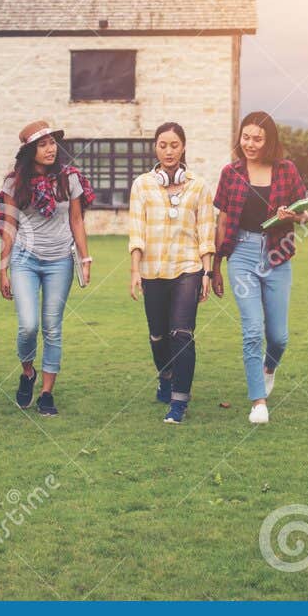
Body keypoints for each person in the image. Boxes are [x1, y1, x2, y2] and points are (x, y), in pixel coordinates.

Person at [212, 110, 308, 425]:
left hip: (277, 255)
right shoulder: (231, 172)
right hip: (241, 253)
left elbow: (304, 214)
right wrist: (214, 265)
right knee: (252, 329)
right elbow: (223, 219)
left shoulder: (286, 170)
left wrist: (289, 216)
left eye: (257, 138)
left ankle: (269, 369)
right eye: (246, 137)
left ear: (269, 141)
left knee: (278, 337)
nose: (250, 144)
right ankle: (258, 402)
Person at [0, 120, 94, 416]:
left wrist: (85, 260)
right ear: (29, 151)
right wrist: (2, 269)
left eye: (52, 142)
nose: (51, 149)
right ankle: (28, 373)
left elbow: (77, 221)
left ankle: (47, 393)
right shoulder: (14, 182)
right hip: (24, 259)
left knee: (52, 328)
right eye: (43, 144)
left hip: (60, 261)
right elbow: (9, 225)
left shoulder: (70, 178)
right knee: (28, 326)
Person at [128, 122, 215, 424]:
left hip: (187, 269)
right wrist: (135, 270)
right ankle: (165, 375)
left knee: (182, 333)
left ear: (183, 147)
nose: (168, 151)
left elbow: (206, 232)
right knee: (158, 335)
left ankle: (179, 402)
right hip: (152, 271)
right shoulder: (141, 185)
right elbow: (136, 231)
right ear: (155, 147)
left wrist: (207, 272)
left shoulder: (199, 186)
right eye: (163, 145)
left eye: (174, 145)